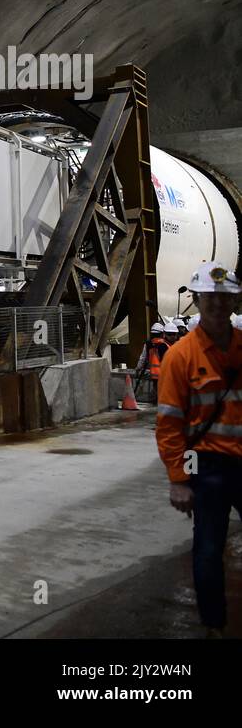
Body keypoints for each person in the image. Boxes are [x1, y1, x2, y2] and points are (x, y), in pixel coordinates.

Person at [156, 261, 242, 637]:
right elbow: (170, 424)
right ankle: (214, 627)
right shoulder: (181, 356)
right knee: (208, 550)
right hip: (207, 467)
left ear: (234, 302)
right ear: (197, 300)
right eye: (210, 298)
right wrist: (179, 479)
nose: (218, 305)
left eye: (224, 298)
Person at [135, 322, 168, 400]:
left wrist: (138, 368)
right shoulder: (165, 345)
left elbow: (143, 358)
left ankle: (155, 400)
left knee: (156, 388)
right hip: (164, 372)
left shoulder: (148, 344)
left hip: (153, 373)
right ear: (162, 333)